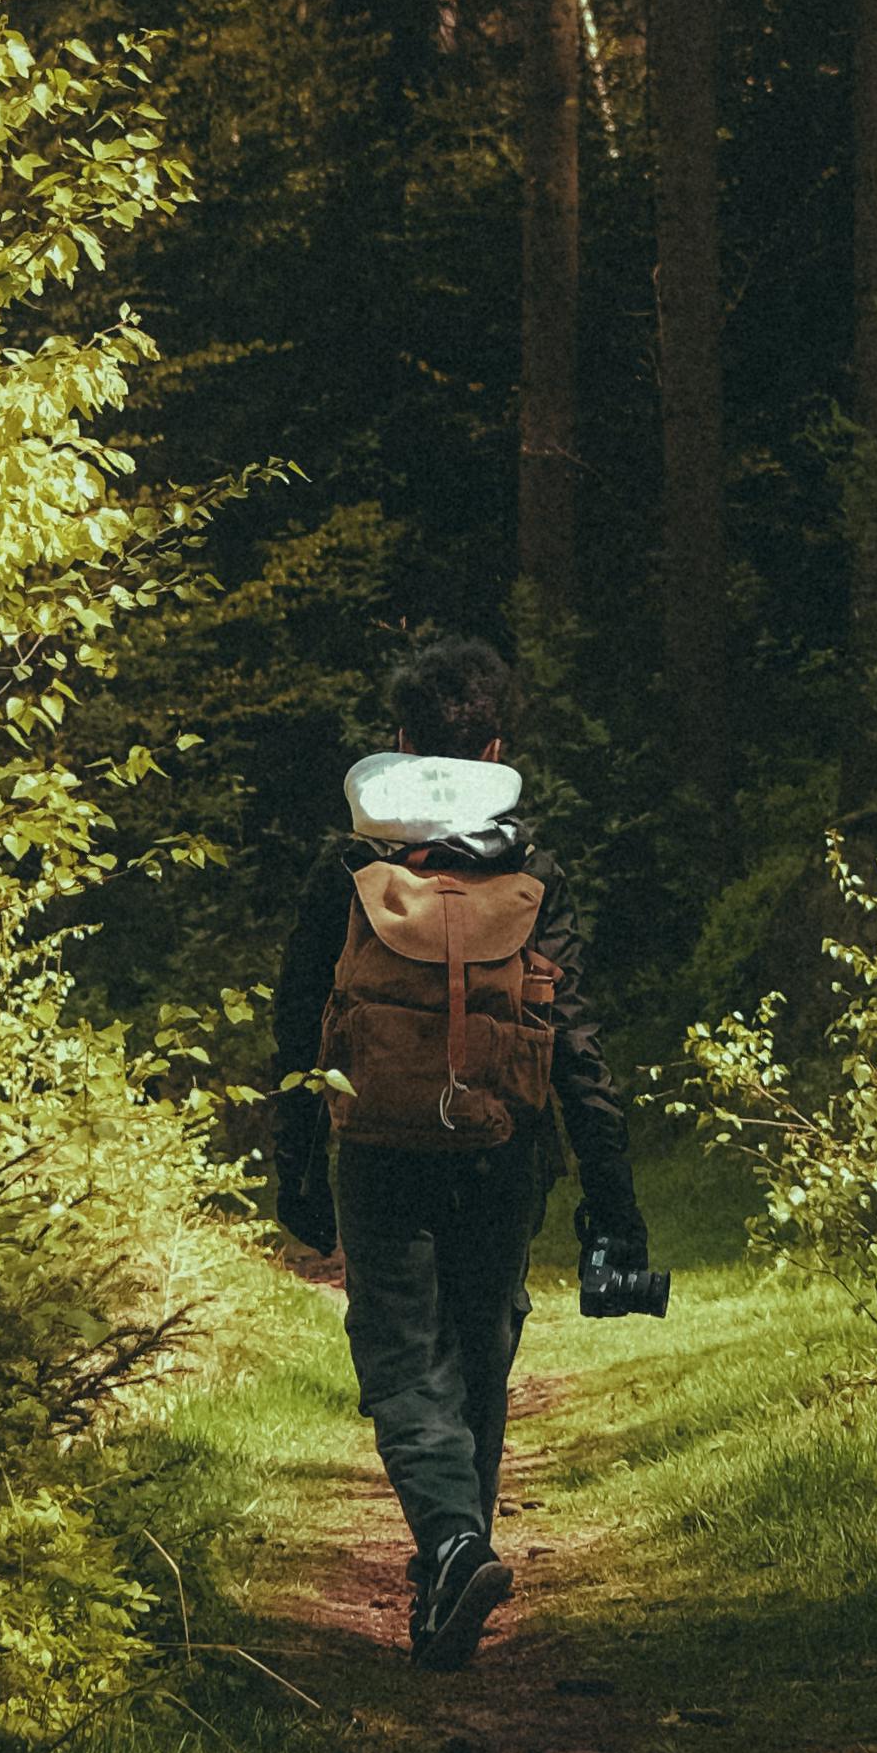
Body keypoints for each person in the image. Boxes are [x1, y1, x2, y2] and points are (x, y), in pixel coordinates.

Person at [271, 628, 652, 1664]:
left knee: (401, 1351)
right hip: (503, 1143)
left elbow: (298, 1017)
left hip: (379, 1145)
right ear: (494, 753)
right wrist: (611, 1194)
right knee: (482, 1342)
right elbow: (574, 1040)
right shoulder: (533, 872)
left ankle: (449, 1547)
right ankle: (456, 1554)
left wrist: (293, 1158)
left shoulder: (352, 867)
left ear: (398, 744)